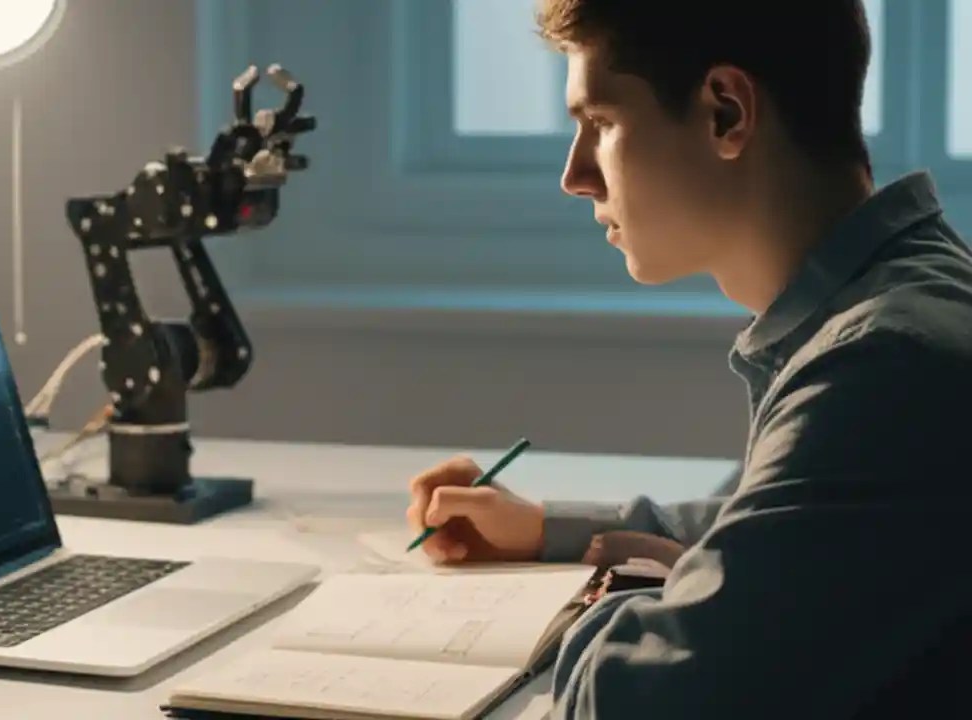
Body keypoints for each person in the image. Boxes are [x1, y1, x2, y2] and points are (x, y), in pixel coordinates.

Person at [404, 1, 972, 718]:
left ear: (726, 114)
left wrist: (605, 594)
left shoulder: (881, 369)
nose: (575, 175)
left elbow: (641, 700)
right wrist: (551, 532)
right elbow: (774, 517)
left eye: (602, 123)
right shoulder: (900, 307)